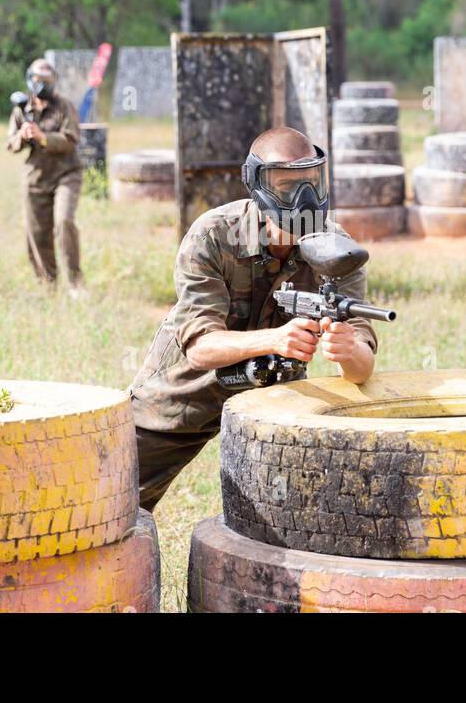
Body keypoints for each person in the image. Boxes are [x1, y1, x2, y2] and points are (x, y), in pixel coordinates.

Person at [129, 127, 380, 510]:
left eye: (311, 183)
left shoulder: (338, 253)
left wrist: (348, 351)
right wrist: (276, 339)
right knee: (114, 505)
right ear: (259, 187)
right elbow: (200, 347)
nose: (304, 199)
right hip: (182, 397)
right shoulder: (214, 236)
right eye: (288, 186)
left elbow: (362, 369)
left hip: (274, 400)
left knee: (294, 513)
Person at [8, 58, 85, 292]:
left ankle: (75, 283)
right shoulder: (22, 109)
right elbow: (11, 144)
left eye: (48, 81)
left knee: (64, 222)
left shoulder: (64, 107)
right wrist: (22, 136)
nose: (42, 85)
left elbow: (71, 140)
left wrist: (43, 137)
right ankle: (47, 283)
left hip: (66, 174)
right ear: (30, 79)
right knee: (36, 231)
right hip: (36, 177)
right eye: (38, 80)